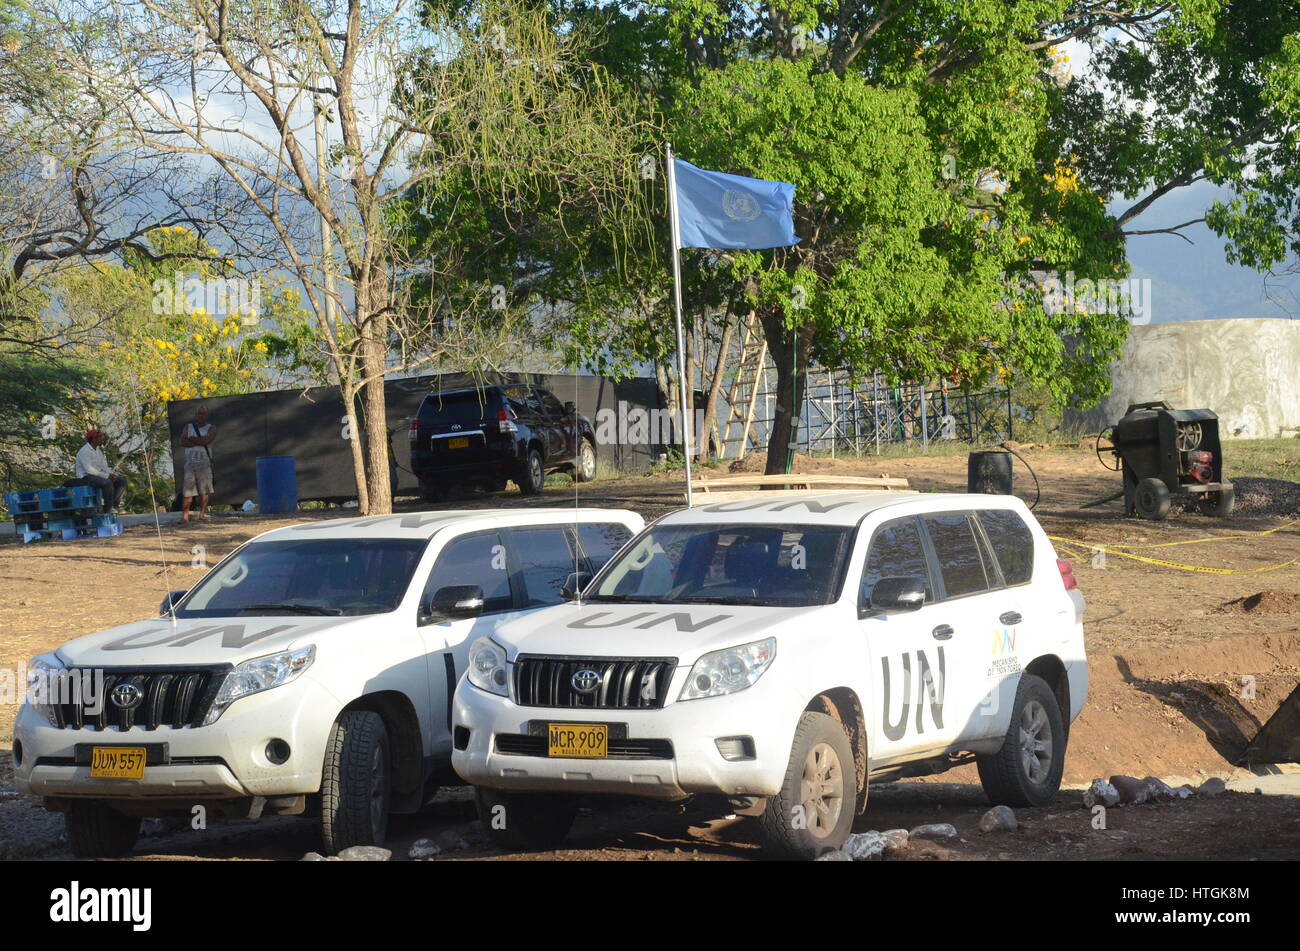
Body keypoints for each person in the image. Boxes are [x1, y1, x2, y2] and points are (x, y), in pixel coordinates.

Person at [74, 429, 127, 514]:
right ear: (94, 439)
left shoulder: (98, 451)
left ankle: (114, 506)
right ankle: (108, 509)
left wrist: (111, 474)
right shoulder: (84, 451)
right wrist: (106, 476)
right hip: (85, 477)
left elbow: (104, 467)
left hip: (96, 476)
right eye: (100, 437)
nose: (102, 439)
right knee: (107, 482)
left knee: (121, 481)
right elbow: (88, 470)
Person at [180, 405, 217, 523]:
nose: (201, 416)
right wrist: (198, 441)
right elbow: (183, 441)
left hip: (204, 463)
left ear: (207, 415)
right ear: (196, 415)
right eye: (199, 413)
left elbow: (207, 440)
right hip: (190, 464)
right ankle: (185, 516)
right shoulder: (188, 427)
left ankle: (202, 514)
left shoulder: (211, 428)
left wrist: (192, 439)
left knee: (204, 491)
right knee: (187, 491)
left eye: (203, 413)